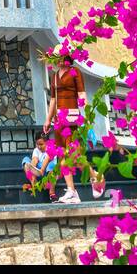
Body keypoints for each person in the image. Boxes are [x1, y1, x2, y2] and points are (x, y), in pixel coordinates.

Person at [43, 51, 86, 203]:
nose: (59, 60)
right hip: (59, 118)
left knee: (72, 155)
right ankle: (72, 191)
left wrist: (85, 114)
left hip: (72, 116)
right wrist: (48, 119)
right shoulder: (55, 76)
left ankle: (94, 177)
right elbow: (53, 100)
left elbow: (81, 94)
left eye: (60, 57)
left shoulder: (75, 71)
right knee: (62, 155)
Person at [22, 134, 57, 200]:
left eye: (41, 144)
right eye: (37, 144)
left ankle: (52, 192)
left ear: (46, 142)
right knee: (25, 161)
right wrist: (32, 168)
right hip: (38, 171)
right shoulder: (36, 150)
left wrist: (42, 170)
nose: (39, 147)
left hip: (48, 171)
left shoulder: (51, 148)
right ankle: (34, 183)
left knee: (52, 166)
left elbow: (47, 159)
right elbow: (35, 159)